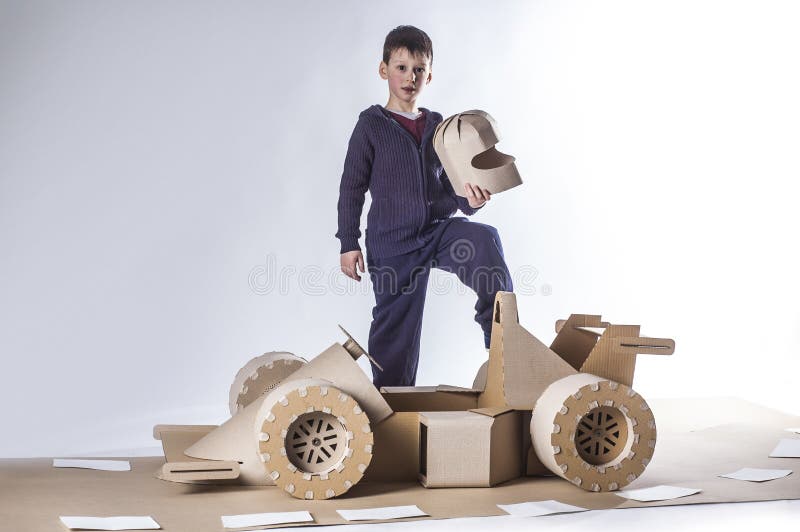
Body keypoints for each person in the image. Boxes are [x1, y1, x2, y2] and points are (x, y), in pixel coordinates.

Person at [335, 25, 513, 387]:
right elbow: (351, 187)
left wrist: (472, 201)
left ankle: (503, 343)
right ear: (384, 70)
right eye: (401, 67)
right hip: (392, 242)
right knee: (394, 331)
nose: (409, 77)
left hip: (436, 232)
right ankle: (393, 401)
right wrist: (348, 242)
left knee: (484, 240)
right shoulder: (371, 125)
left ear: (429, 75)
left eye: (418, 69)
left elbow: (453, 183)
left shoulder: (438, 126)